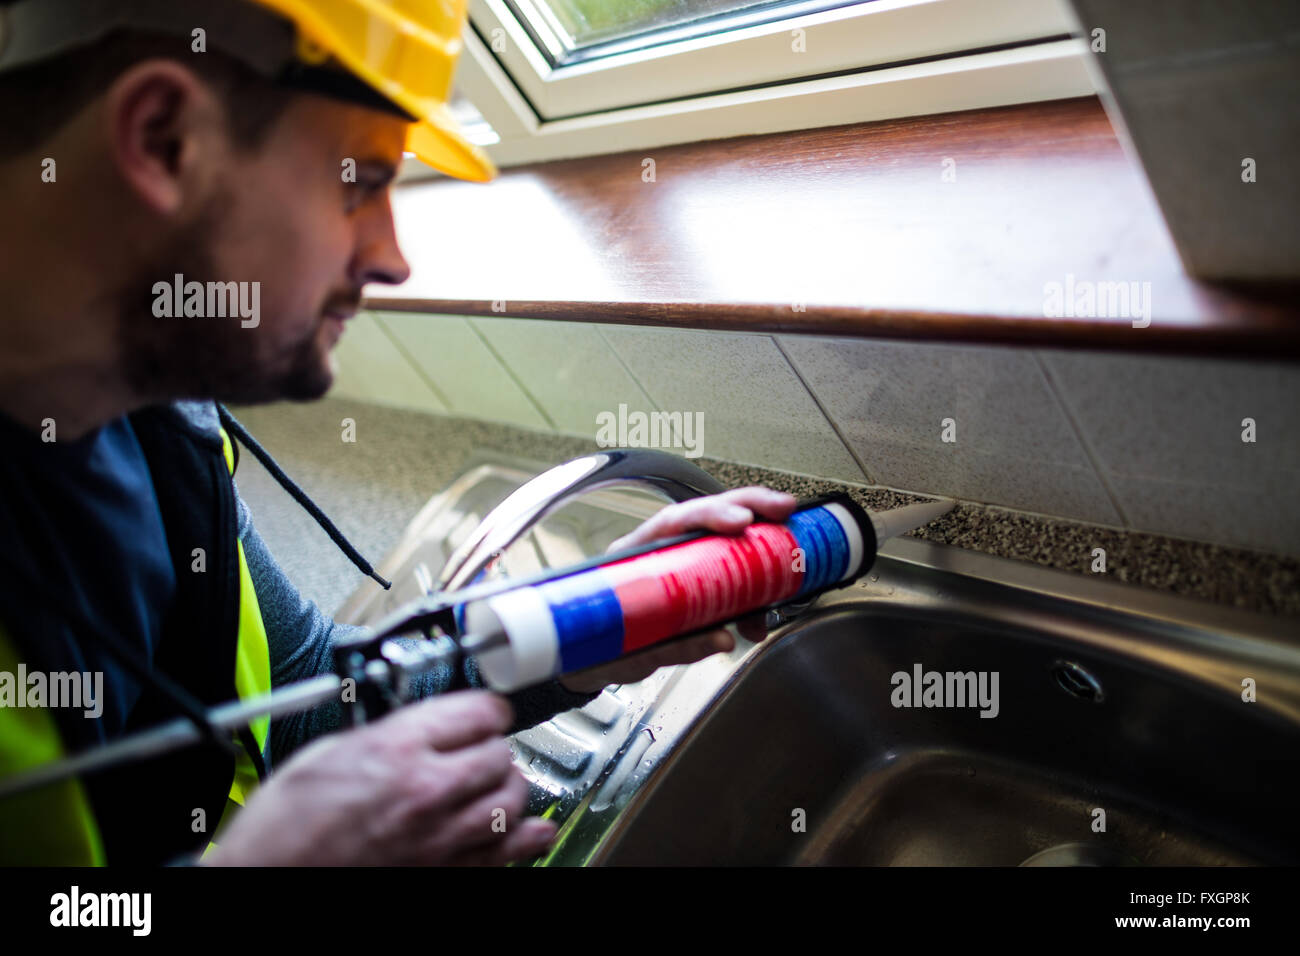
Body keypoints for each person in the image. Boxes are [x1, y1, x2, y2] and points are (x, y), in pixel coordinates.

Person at [0, 0, 797, 865]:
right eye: (360, 183)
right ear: (163, 141)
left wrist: (581, 625)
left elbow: (306, 701)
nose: (393, 256)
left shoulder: (154, 412)